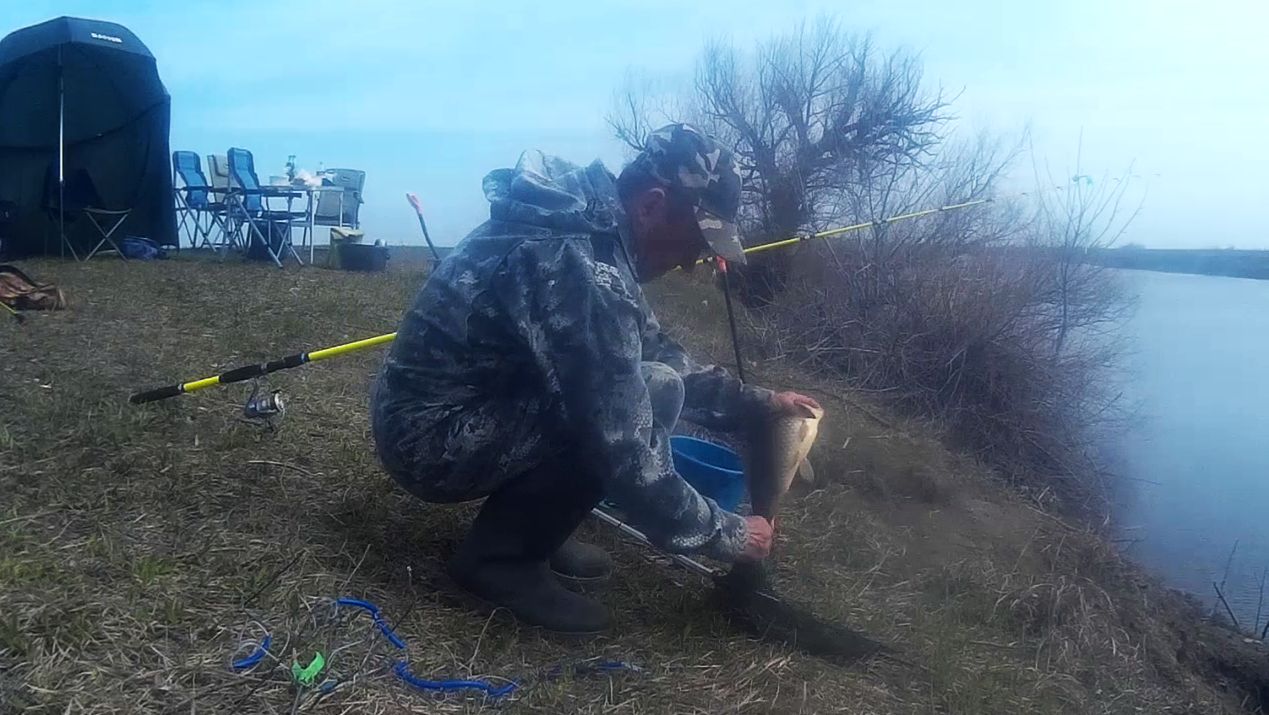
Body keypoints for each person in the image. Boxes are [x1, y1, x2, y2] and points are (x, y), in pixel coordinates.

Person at [371, 124, 821, 635]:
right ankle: (501, 560)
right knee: (639, 396)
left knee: (652, 381)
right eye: (696, 242)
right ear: (652, 205)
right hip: (430, 439)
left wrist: (759, 403)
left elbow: (651, 348)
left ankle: (535, 526)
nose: (694, 265)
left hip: (452, 406)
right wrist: (730, 533)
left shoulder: (592, 226)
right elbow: (624, 446)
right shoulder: (580, 264)